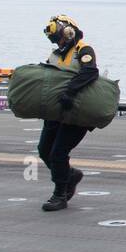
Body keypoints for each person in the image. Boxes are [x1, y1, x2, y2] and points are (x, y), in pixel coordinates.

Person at [38, 13, 98, 212]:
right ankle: (70, 176)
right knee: (44, 150)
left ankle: (60, 194)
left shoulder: (83, 49)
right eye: (55, 40)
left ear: (69, 31)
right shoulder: (54, 55)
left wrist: (69, 92)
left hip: (75, 113)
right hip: (55, 113)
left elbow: (90, 72)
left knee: (58, 153)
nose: (59, 42)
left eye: (60, 37)